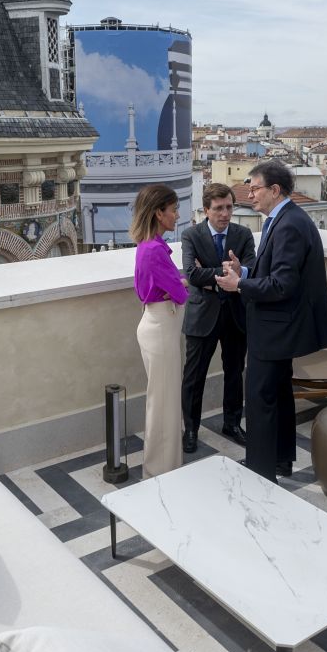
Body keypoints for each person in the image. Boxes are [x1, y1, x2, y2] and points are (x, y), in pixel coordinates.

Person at [214, 160, 327, 481]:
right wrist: (247, 272)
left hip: (276, 328)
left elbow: (282, 284)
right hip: (279, 326)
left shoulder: (289, 225)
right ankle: (280, 460)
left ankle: (261, 470)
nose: (249, 194)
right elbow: (275, 273)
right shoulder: (284, 219)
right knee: (279, 396)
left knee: (260, 399)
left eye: (254, 188)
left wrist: (238, 284)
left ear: (275, 190)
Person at [180, 182, 255, 451]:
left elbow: (252, 269)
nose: (225, 214)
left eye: (229, 207)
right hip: (203, 316)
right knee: (194, 375)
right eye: (219, 208)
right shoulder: (191, 235)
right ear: (206, 210)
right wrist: (227, 275)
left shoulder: (243, 234)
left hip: (236, 315)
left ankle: (232, 423)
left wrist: (213, 275)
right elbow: (190, 273)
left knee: (235, 372)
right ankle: (190, 429)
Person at [131, 184, 188, 478]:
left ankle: (164, 467)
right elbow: (179, 292)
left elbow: (172, 288)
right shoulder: (154, 250)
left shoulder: (149, 246)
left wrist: (175, 286)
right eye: (173, 209)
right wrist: (181, 285)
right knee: (163, 402)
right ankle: (159, 471)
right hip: (160, 328)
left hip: (158, 326)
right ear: (158, 212)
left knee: (163, 399)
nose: (177, 215)